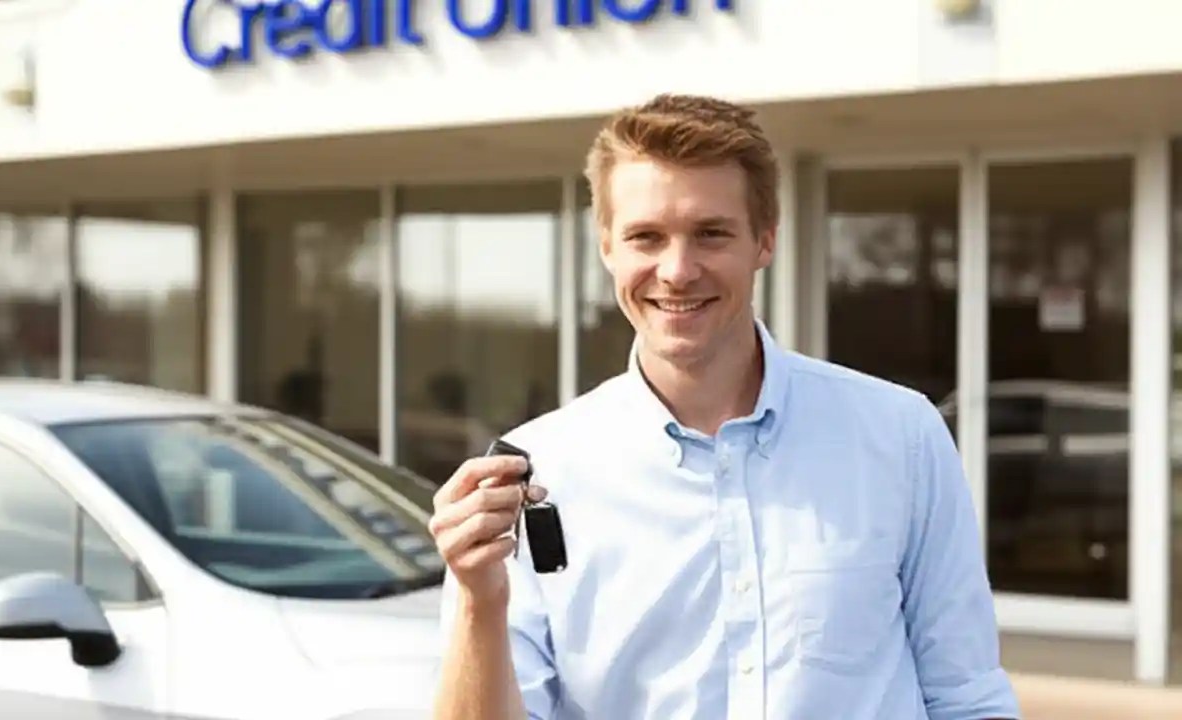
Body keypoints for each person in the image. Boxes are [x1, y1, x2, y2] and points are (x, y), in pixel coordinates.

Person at [427, 93, 1020, 720]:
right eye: (646, 237)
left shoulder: (901, 436)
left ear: (764, 240)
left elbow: (966, 694)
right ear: (607, 247)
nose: (677, 271)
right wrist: (477, 601)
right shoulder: (537, 473)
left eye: (711, 233)